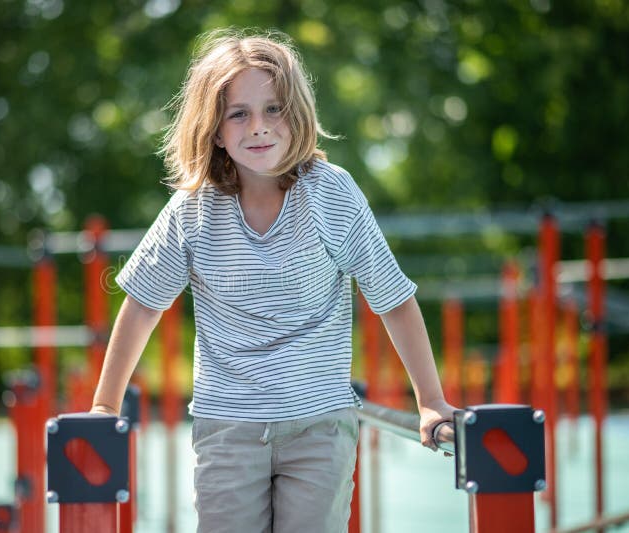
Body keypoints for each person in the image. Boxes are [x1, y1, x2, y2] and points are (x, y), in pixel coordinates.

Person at [91, 28, 456, 533]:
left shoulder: (330, 194)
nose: (258, 127)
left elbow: (392, 298)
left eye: (274, 109)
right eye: (238, 113)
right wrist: (105, 404)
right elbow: (142, 305)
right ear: (215, 129)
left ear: (297, 115)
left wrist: (431, 401)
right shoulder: (193, 210)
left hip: (320, 427)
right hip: (228, 428)